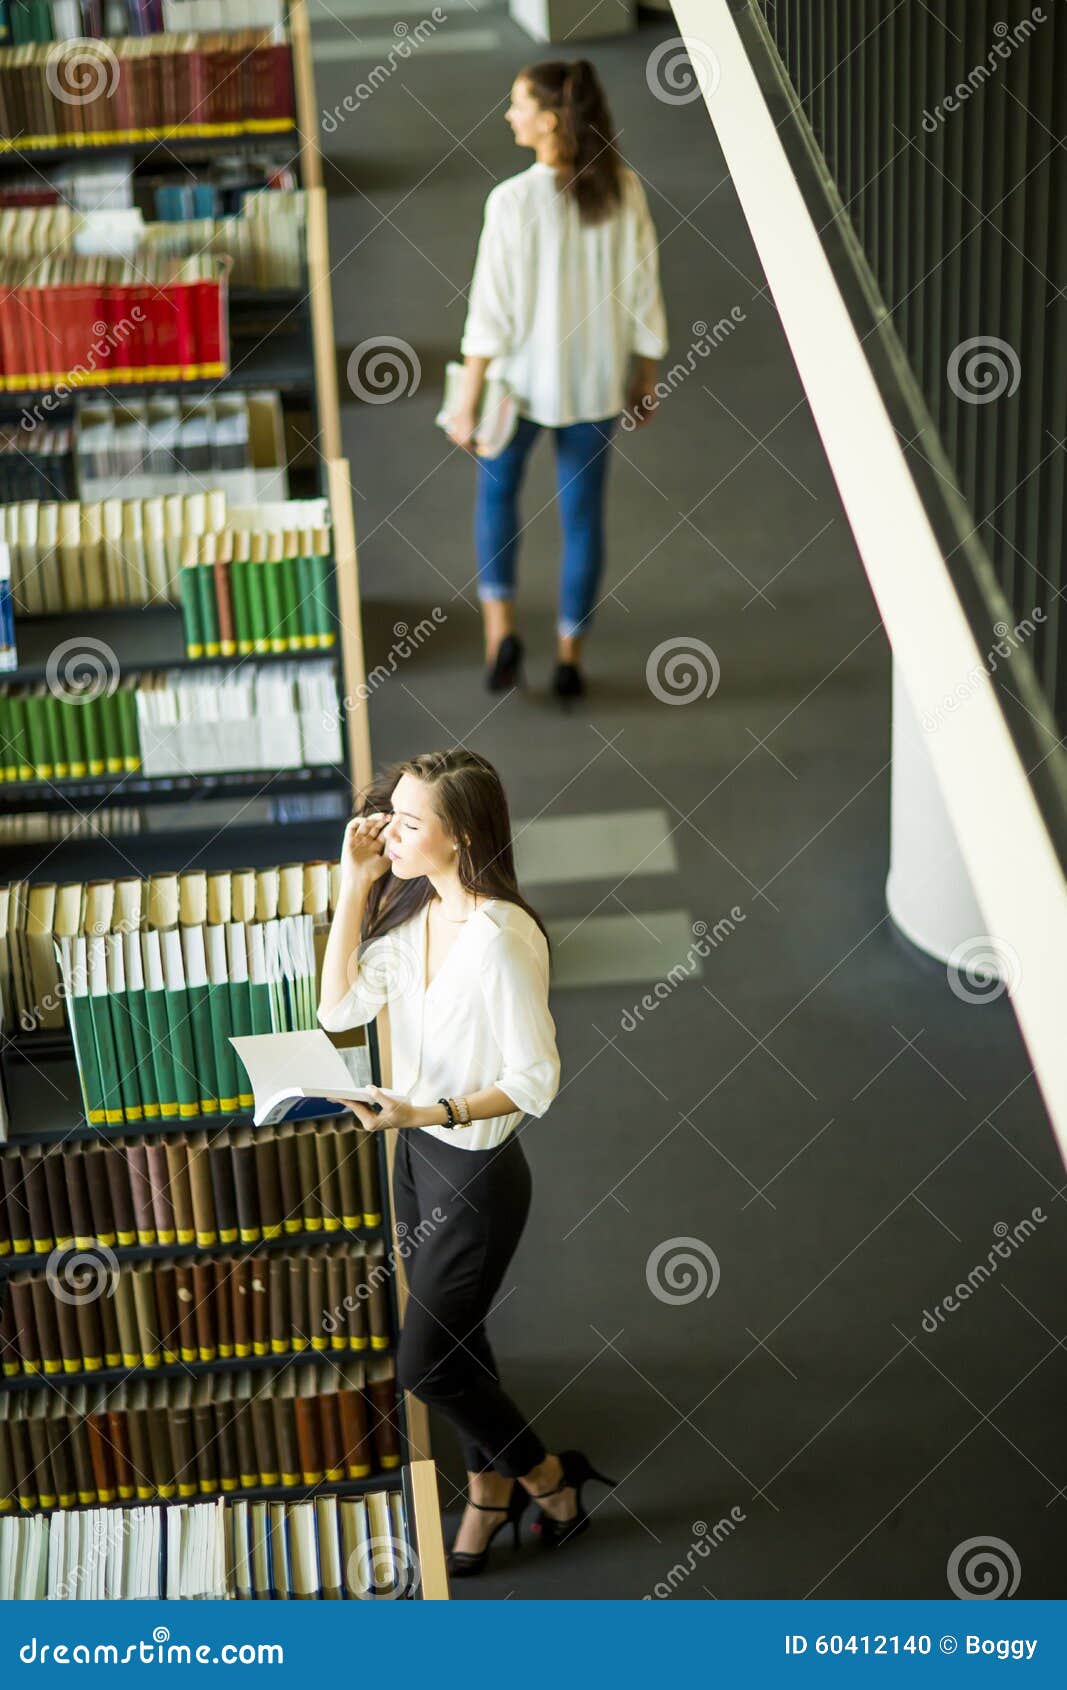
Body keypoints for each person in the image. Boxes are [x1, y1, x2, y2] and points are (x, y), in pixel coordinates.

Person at [317, 747, 617, 1577]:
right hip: (413, 1154)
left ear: (461, 837)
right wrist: (356, 886)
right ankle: (490, 1489)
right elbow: (338, 1007)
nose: (390, 832)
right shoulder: (412, 916)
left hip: (474, 1176)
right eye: (391, 816)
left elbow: (533, 1081)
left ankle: (550, 1480)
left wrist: (426, 1109)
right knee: (460, 1342)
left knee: (424, 1365)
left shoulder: (500, 939)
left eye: (411, 823)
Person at [448, 59, 668, 702]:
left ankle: (501, 640)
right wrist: (646, 373)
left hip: (517, 388)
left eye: (517, 105)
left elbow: (490, 313)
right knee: (583, 521)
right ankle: (570, 659)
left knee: (496, 501)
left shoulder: (512, 201)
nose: (508, 115)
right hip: (594, 386)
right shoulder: (623, 190)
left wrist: (466, 402)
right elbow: (643, 289)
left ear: (548, 120)